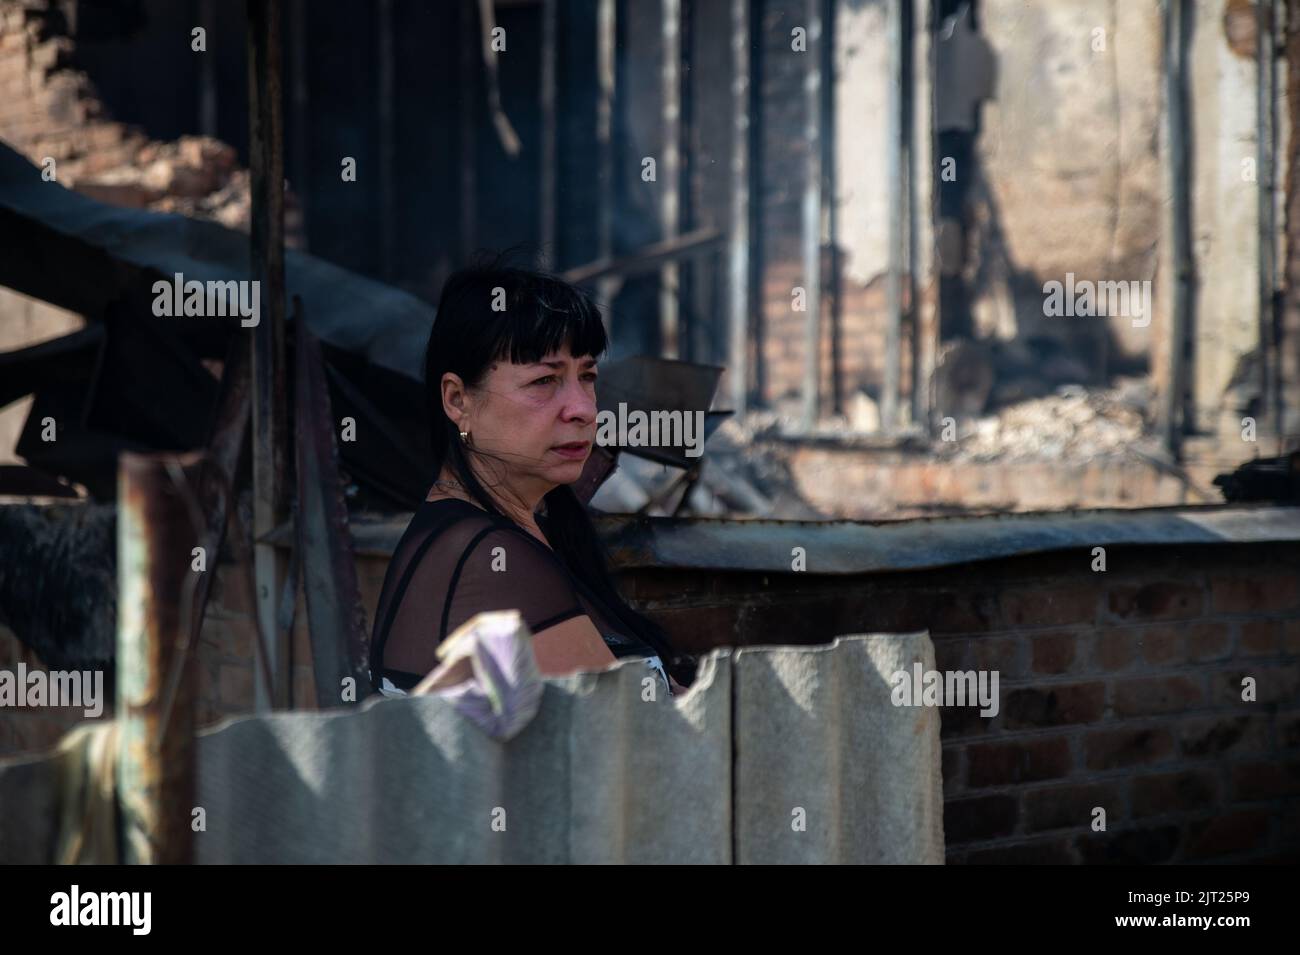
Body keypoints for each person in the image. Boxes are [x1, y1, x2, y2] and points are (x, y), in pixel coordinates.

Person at [368, 254, 692, 700]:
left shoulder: (499, 532)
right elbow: (635, 744)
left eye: (588, 376)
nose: (582, 409)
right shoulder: (493, 564)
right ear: (458, 400)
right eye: (544, 381)